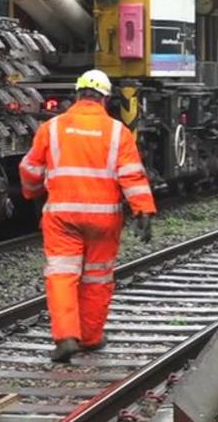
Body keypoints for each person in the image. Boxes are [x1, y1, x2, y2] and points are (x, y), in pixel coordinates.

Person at [18, 69, 157, 362]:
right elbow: (132, 175)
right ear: (105, 99)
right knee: (97, 277)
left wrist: (32, 192)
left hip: (63, 218)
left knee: (62, 275)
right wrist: (143, 210)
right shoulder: (118, 132)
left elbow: (29, 169)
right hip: (103, 220)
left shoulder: (52, 128)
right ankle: (91, 337)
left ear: (77, 95)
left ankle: (66, 338)